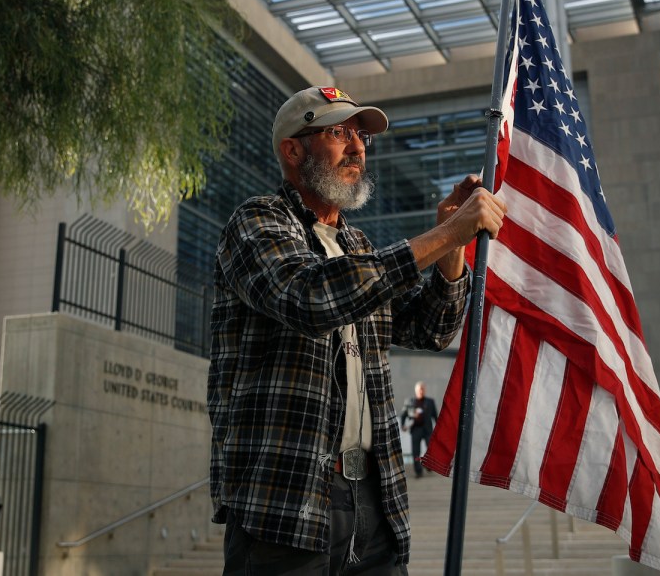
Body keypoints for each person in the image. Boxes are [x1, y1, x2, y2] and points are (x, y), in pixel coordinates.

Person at [208, 85, 507, 575]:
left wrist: (453, 246)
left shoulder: (358, 244)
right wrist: (441, 236)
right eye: (339, 133)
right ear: (292, 149)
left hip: (375, 496)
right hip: (285, 497)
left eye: (362, 136)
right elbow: (311, 298)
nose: (357, 147)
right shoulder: (257, 221)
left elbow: (430, 329)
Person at [398, 381, 438, 478]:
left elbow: (435, 416)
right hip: (415, 430)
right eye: (419, 389)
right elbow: (403, 415)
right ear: (416, 391)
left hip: (427, 430)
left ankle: (429, 465)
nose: (421, 391)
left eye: (423, 389)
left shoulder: (430, 402)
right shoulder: (410, 402)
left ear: (425, 390)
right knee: (416, 452)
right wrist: (403, 425)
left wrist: (438, 429)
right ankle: (418, 471)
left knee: (431, 449)